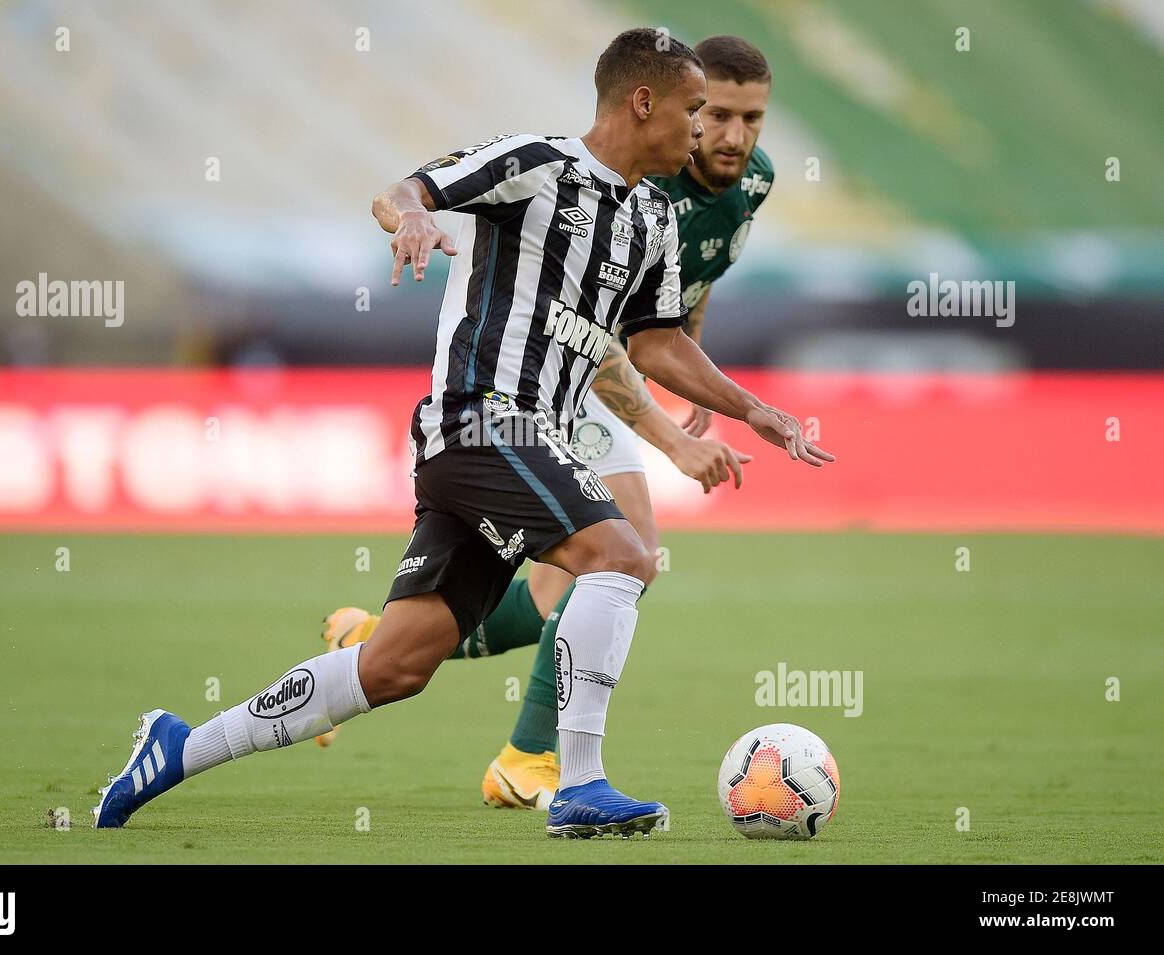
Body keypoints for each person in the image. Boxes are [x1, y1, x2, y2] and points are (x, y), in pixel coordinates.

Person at [92, 28, 830, 838]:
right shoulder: (535, 163)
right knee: (624, 555)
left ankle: (177, 747)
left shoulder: (652, 216)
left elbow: (655, 342)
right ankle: (577, 782)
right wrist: (410, 220)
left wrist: (749, 406)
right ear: (642, 101)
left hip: (530, 437)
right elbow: (403, 191)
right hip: (480, 417)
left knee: (396, 664)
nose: (702, 129)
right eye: (695, 109)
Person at [317, 36, 792, 812]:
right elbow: (604, 340)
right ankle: (533, 757)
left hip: (595, 373)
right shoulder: (641, 179)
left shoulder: (750, 183)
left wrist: (694, 368)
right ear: (676, 108)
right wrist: (673, 441)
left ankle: (371, 643)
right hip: (553, 380)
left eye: (751, 119)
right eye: (714, 114)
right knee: (628, 544)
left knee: (551, 596)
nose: (732, 136)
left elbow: (683, 297)